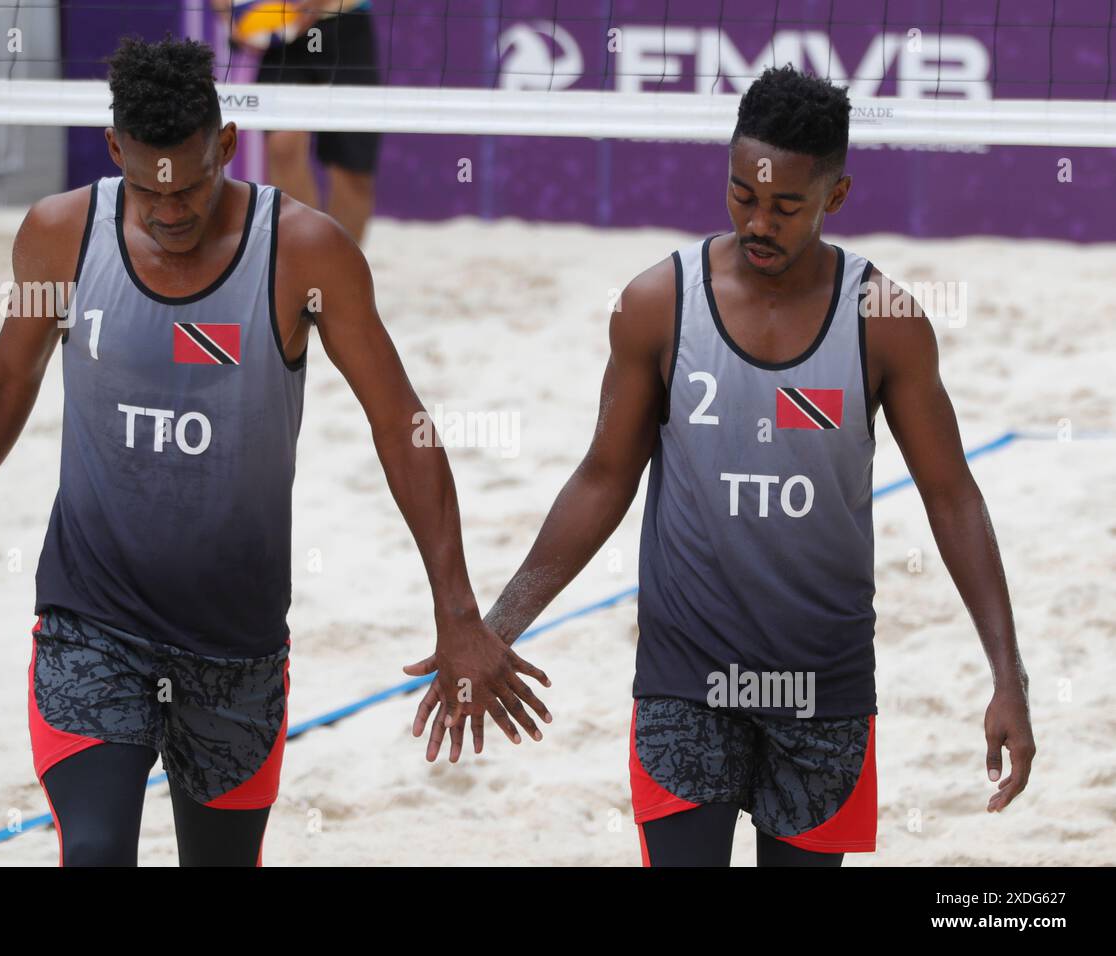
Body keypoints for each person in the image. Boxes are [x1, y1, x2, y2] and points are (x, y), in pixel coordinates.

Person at [0, 34, 549, 867]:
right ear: (114, 153)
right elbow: (2, 384)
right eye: (147, 190)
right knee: (94, 852)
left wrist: (458, 614)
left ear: (228, 147)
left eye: (192, 187)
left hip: (236, 643)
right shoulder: (61, 234)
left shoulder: (306, 252)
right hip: (93, 623)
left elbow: (402, 427)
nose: (170, 212)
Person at [408, 64, 1036, 866]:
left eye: (785, 205)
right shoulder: (657, 304)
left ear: (835, 199)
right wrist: (494, 626)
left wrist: (1007, 674)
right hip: (685, 678)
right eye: (742, 194)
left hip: (823, 684)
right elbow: (604, 476)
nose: (758, 221)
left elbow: (952, 498)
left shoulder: (885, 320)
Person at [219, 0, 382, 243]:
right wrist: (228, 14)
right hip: (282, 28)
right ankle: (306, 258)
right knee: (284, 144)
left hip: (342, 21)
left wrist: (309, 4)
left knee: (352, 170)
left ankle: (343, 269)